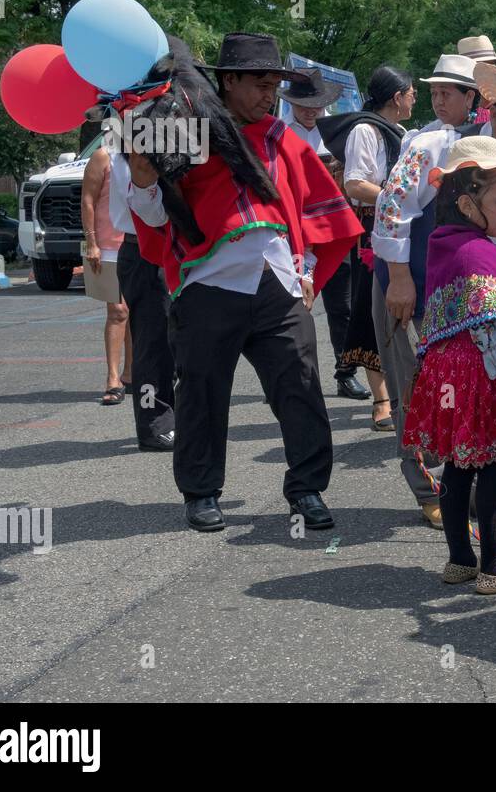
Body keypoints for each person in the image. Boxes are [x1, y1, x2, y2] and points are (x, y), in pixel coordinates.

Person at [125, 32, 363, 532]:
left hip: (279, 284)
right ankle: (201, 492)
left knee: (300, 387)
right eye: (258, 83)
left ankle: (307, 489)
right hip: (209, 284)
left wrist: (309, 274)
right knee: (202, 392)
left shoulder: (283, 139)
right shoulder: (182, 131)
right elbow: (152, 215)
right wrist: (144, 177)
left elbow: (323, 217)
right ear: (228, 81)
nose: (268, 94)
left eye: (274, 84)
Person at [403, 136, 496, 594]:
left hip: (449, 372)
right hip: (482, 372)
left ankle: (459, 561)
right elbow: (488, 321)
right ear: (468, 203)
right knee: (492, 467)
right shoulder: (478, 252)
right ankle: (495, 568)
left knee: (458, 466)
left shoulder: (444, 243)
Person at [371, 54, 479, 527]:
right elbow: (392, 208)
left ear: (472, 98)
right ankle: (426, 489)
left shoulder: (486, 143)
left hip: (452, 289)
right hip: (408, 281)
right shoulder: (429, 142)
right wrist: (398, 279)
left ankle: (473, 487)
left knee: (466, 385)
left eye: (449, 92)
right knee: (412, 387)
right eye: (434, 90)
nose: (438, 98)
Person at [319, 66, 417, 431]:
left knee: (404, 310)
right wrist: (396, 200)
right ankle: (381, 400)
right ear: (396, 97)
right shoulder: (366, 130)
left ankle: (404, 394)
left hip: (400, 227)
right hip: (371, 228)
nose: (414, 98)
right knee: (372, 308)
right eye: (410, 93)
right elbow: (356, 184)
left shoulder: (403, 133)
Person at [278, 68, 371, 402]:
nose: (310, 110)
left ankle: (345, 372)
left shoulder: (339, 133)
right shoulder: (279, 133)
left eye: (316, 103)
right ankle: (291, 374)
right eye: (303, 103)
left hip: (333, 227)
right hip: (293, 229)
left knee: (341, 305)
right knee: (291, 306)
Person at [100, 120, 175, 452]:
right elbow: (151, 206)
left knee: (173, 339)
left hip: (169, 248)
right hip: (143, 247)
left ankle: (171, 418)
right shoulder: (125, 157)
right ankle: (153, 424)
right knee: (152, 342)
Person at [78, 122, 131, 407]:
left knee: (136, 312)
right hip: (109, 245)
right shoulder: (103, 155)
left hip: (139, 243)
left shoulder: (141, 154)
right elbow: (87, 200)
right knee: (118, 311)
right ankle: (112, 377)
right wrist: (92, 244)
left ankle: (131, 373)